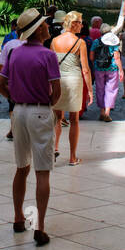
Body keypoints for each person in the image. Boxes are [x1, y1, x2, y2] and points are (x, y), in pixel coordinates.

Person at [0, 7, 61, 246]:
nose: (48, 26)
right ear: (40, 29)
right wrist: (47, 105)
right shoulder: (48, 55)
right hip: (39, 110)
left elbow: (0, 84)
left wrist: (14, 97)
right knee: (42, 171)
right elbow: (56, 92)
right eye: (45, 24)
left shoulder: (14, 53)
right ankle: (40, 226)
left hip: (19, 112)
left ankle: (18, 217)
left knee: (21, 167)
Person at [51, 11, 92, 166]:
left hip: (58, 80)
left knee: (57, 118)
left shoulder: (54, 41)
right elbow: (85, 69)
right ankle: (72, 157)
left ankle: (54, 147)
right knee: (74, 120)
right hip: (74, 80)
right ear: (74, 24)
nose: (82, 25)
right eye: (80, 22)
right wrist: (90, 89)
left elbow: (51, 65)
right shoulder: (80, 43)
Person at [90, 29, 123, 121]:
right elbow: (117, 57)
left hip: (99, 68)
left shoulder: (96, 42)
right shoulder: (113, 42)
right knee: (111, 90)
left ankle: (101, 111)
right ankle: (107, 113)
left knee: (100, 89)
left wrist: (95, 65)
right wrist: (121, 70)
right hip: (112, 69)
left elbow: (91, 57)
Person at [0, 20, 23, 141]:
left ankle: (13, 128)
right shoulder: (31, 44)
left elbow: (2, 65)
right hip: (26, 79)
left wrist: (2, 79)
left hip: (11, 79)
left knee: (12, 105)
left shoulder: (9, 44)